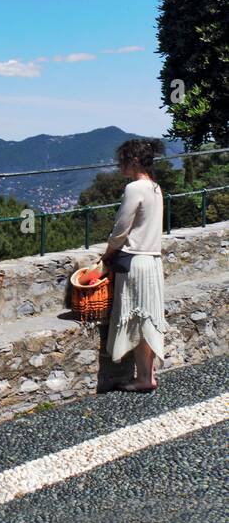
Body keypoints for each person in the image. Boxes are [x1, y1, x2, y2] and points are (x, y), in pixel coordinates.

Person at [100, 138, 167, 392]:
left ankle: (143, 379)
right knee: (147, 320)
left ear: (135, 160)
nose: (119, 165)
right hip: (153, 261)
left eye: (123, 160)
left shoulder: (134, 188)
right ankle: (147, 376)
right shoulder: (155, 187)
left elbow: (120, 229)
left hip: (135, 261)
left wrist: (107, 254)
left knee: (138, 320)